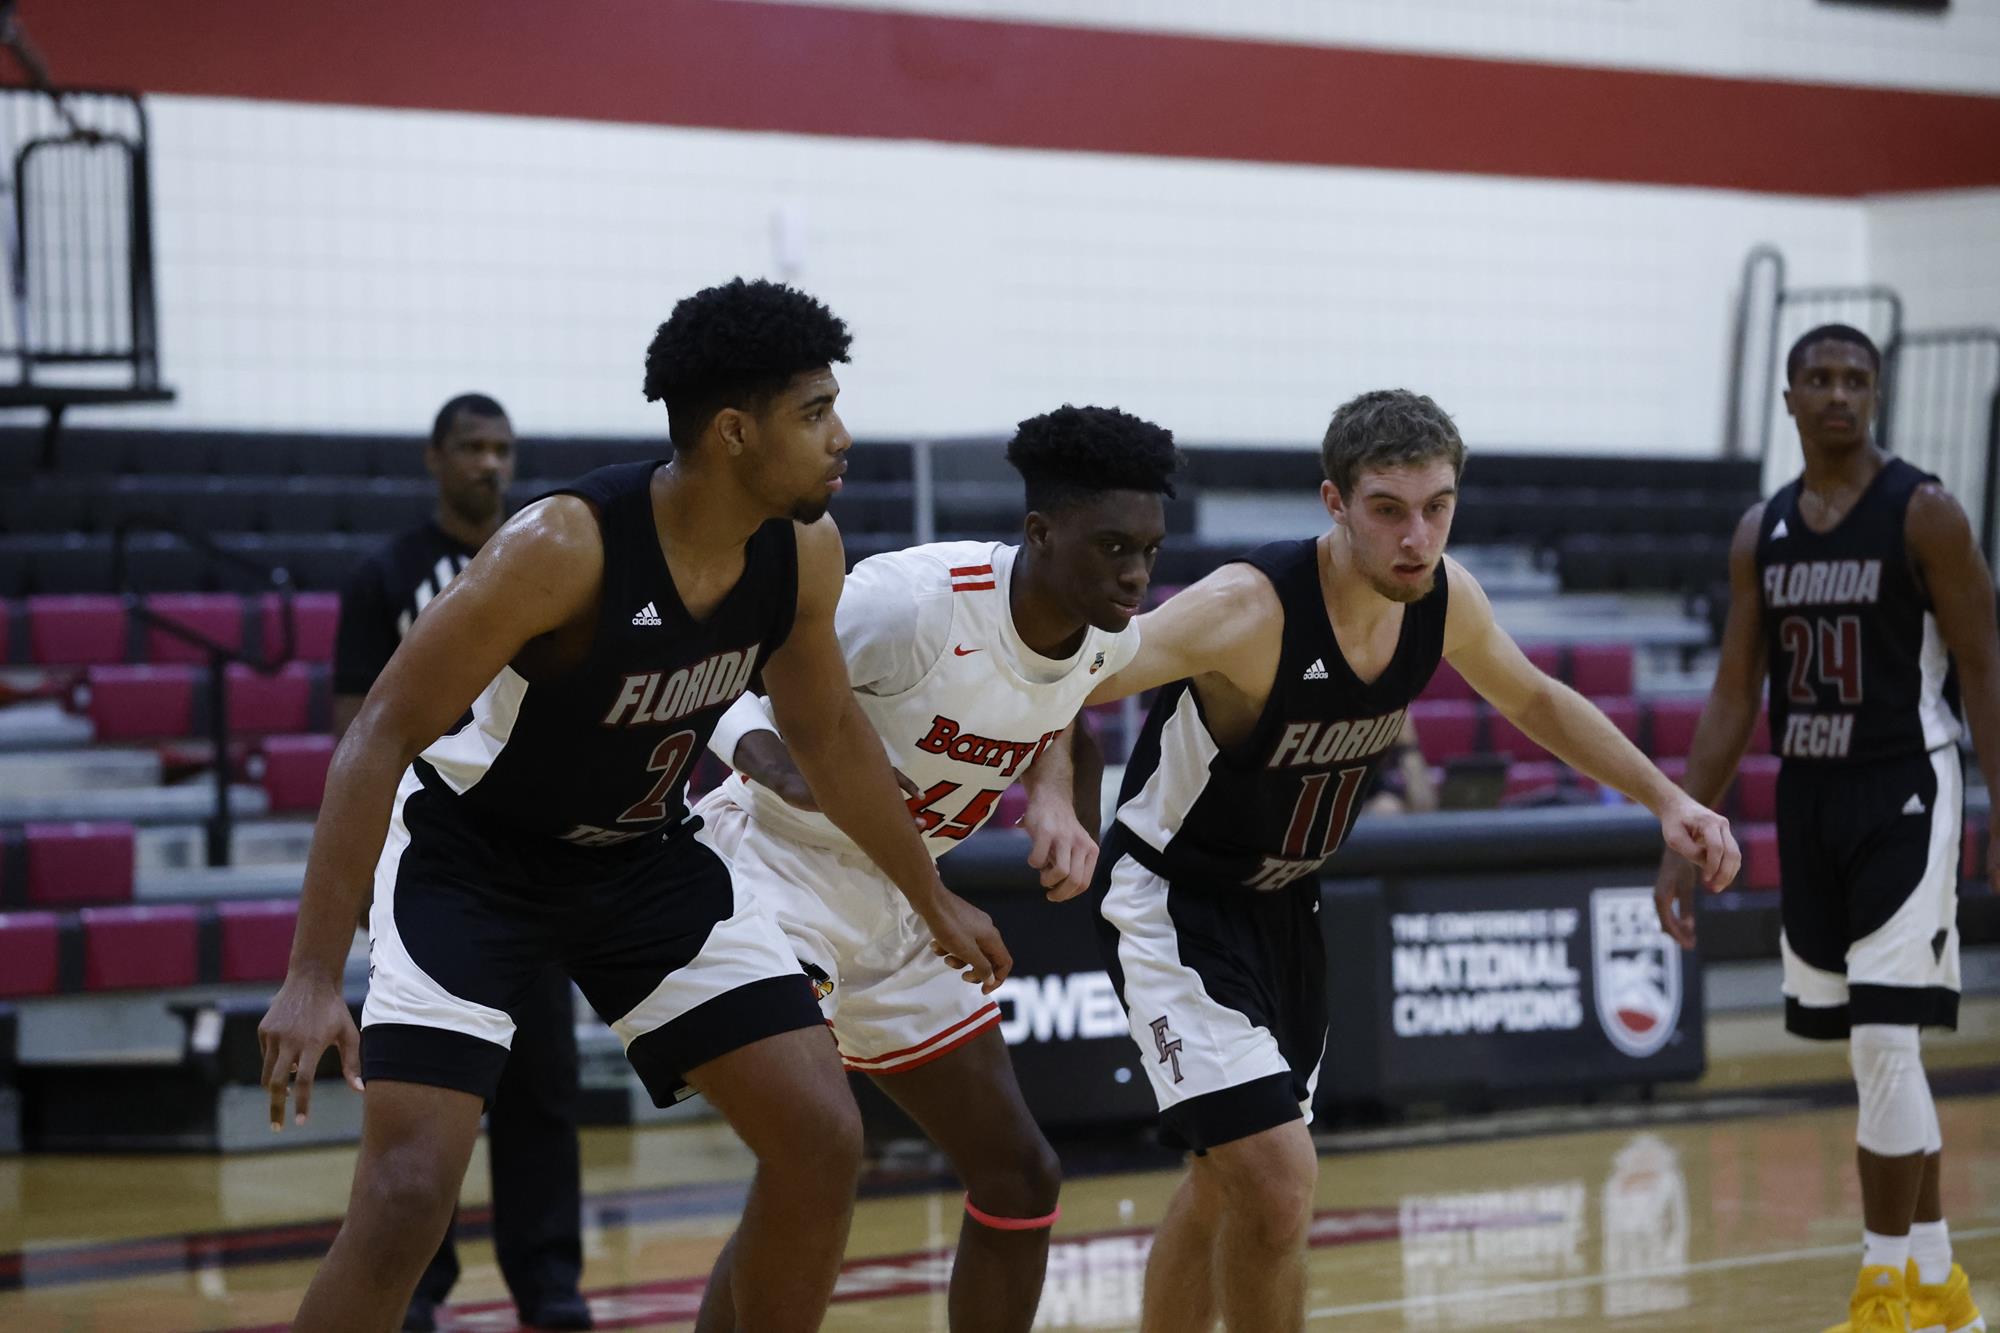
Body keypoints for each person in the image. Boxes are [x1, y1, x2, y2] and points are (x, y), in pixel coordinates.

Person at [256, 278, 1010, 1332]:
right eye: (814, 412)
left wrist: (929, 897)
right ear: (735, 432)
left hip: (641, 862)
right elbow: (378, 731)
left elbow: (829, 737)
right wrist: (307, 974)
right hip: (476, 861)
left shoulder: (802, 548)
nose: (842, 436)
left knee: (818, 1137)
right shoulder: (562, 547)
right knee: (406, 1196)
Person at [1046, 388, 1739, 1333]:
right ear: (1334, 502)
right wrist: (1055, 796)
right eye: (1388, 510)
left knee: (1225, 1182)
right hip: (1173, 900)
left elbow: (1535, 700)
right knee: (1281, 1183)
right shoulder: (1249, 608)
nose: (1418, 537)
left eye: (1438, 507)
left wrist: (1670, 799)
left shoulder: (1443, 598)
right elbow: (1064, 670)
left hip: (1289, 906)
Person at [691, 404, 1179, 1333]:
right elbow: (725, 678)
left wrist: (1058, 794)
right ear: (1039, 532)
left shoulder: (1110, 630)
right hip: (768, 875)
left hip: (903, 901)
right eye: (1114, 546)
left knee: (1021, 1172)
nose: (1135, 573)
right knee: (811, 1156)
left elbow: (1064, 702)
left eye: (1150, 550)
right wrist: (789, 766)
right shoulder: (913, 601)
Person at [1655, 325, 1992, 1333]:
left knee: (1886, 1039)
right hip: (1806, 795)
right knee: (1872, 1053)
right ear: (1789, 395)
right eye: (1819, 377)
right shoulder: (1761, 530)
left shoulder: (1923, 511)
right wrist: (1678, 830)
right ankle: (1939, 1285)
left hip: (1903, 786)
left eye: (1855, 379)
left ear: (1874, 396)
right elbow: (1728, 694)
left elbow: (1981, 666)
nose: (1837, 393)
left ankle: (1879, 1290)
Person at [332, 393, 590, 1332]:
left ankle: (550, 1283)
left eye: (503, 448)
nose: (490, 463)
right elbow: (353, 726)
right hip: (425, 855)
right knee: (421, 1096)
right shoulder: (386, 575)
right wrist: (363, 872)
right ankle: (416, 1287)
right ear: (435, 459)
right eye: (473, 448)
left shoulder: (548, 560)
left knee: (542, 1086)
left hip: (533, 846)